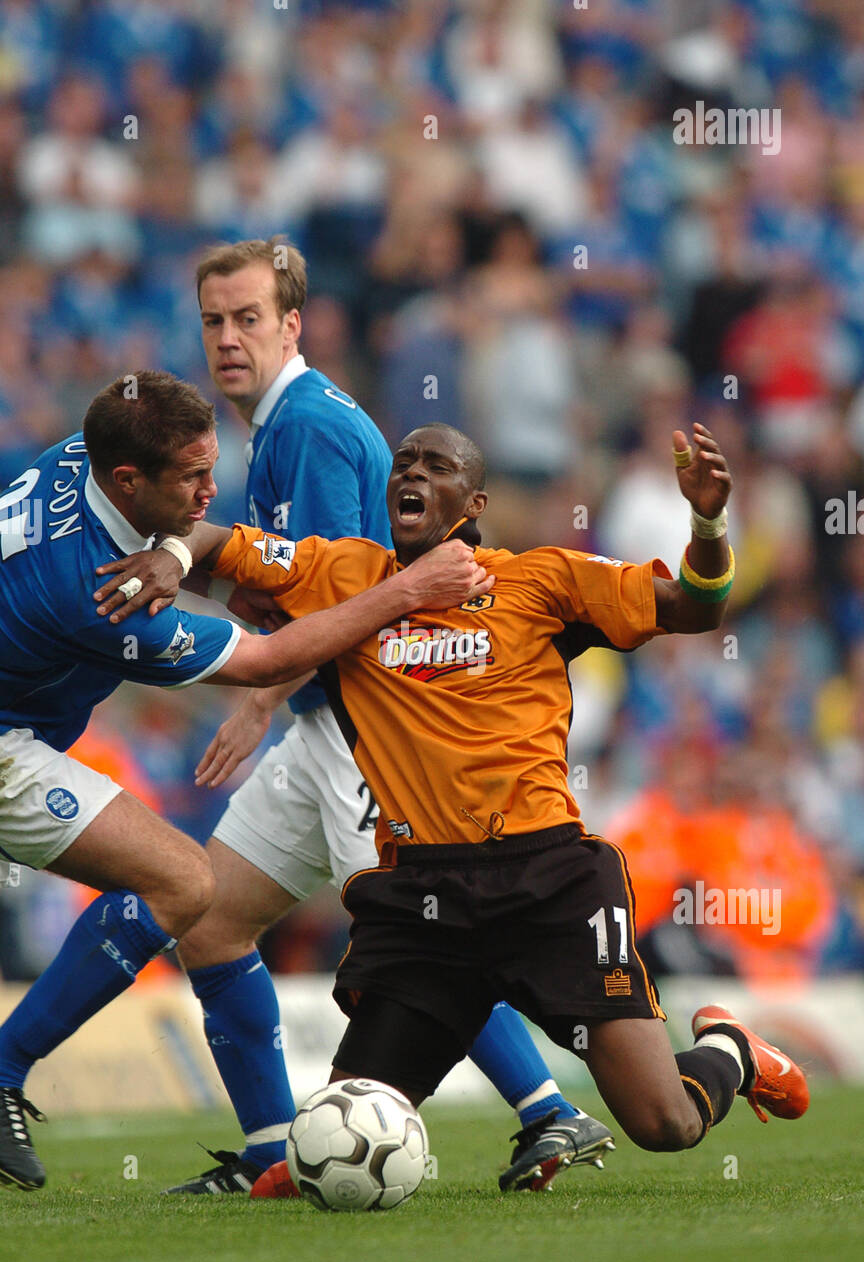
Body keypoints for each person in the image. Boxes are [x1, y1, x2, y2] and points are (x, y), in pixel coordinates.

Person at [104, 418, 808, 1173]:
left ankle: (730, 1047)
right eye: (404, 463)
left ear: (471, 501)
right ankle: (331, 1152)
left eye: (435, 465)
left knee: (664, 1122)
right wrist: (175, 555)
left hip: (549, 883)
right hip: (423, 901)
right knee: (335, 1143)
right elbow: (221, 540)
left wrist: (707, 521)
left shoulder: (542, 579)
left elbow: (697, 608)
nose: (411, 473)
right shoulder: (342, 572)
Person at [132, 235, 612, 1196]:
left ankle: (553, 1114)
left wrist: (261, 691)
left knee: (432, 937)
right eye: (213, 323)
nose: (227, 339)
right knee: (211, 923)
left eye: (247, 320)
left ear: (291, 324)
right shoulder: (281, 425)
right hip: (318, 728)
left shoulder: (306, 427)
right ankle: (272, 1152)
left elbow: (348, 600)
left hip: (359, 733)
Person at [0, 372, 488, 1191]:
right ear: (128, 480)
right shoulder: (95, 596)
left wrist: (211, 561)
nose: (211, 491)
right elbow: (268, 660)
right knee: (183, 881)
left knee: (200, 901)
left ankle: (269, 1148)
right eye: (191, 479)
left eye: (211, 466)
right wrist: (407, 590)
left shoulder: (83, 453)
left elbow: (193, 557)